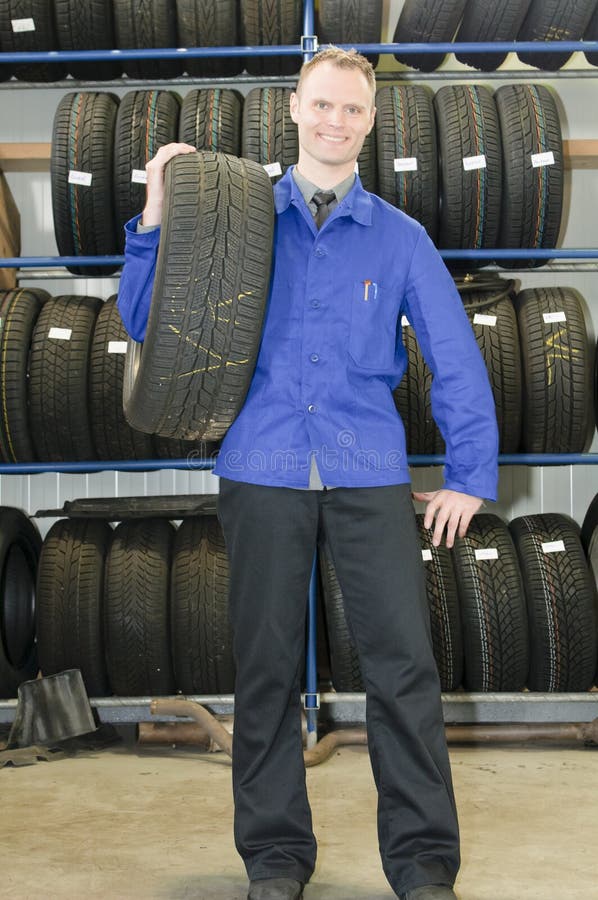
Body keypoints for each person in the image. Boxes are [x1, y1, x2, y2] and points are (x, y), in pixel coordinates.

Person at [117, 47, 498, 900]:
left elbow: (455, 357)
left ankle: (424, 864)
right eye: (321, 105)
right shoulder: (237, 219)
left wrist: (470, 471)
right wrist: (151, 217)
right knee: (265, 668)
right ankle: (277, 859)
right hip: (263, 466)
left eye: (353, 110)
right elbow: (147, 322)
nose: (336, 122)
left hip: (366, 471)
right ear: (292, 109)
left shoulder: (400, 237)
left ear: (370, 120)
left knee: (402, 668)